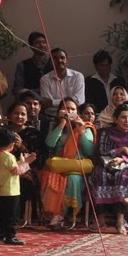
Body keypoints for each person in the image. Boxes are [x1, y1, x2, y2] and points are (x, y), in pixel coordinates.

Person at [39, 97, 95, 229]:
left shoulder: (86, 127)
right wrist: (62, 123)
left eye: (72, 109)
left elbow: (89, 150)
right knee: (50, 176)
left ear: (78, 113)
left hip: (76, 166)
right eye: (65, 109)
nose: (68, 111)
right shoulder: (55, 125)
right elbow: (50, 143)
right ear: (59, 112)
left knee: (73, 179)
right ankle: (53, 214)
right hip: (59, 165)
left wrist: (81, 132)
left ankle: (62, 214)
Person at [92, 102, 128, 234]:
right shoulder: (105, 133)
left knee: (122, 176)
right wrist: (122, 150)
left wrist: (123, 159)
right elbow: (102, 151)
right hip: (106, 164)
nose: (127, 121)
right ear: (115, 119)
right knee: (100, 174)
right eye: (123, 117)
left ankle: (120, 218)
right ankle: (101, 218)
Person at [0, 126, 30, 246]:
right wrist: (27, 163)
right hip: (11, 190)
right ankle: (10, 236)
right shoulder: (9, 156)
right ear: (12, 143)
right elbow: (16, 171)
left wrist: (22, 162)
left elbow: (10, 167)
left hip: (2, 189)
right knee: (12, 215)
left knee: (2, 214)